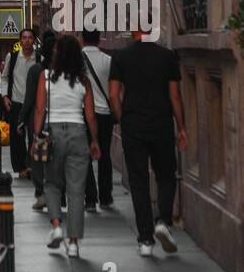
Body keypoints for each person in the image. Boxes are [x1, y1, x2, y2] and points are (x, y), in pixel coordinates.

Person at [109, 27, 187, 256]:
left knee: (138, 180)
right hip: (161, 123)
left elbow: (114, 94)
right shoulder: (167, 56)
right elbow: (175, 96)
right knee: (166, 174)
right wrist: (181, 127)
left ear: (133, 29)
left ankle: (145, 239)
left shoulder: (121, 57)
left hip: (134, 124)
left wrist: (123, 119)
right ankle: (163, 220)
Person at [33, 34, 100, 257]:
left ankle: (56, 227)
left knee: (52, 184)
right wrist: (95, 141)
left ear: (56, 54)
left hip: (53, 134)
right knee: (76, 191)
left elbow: (40, 110)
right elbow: (90, 116)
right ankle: (73, 244)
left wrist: (35, 138)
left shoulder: (46, 77)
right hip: (78, 133)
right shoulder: (83, 80)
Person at [20, 30, 56, 210]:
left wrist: (22, 120)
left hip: (41, 121)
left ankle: (41, 192)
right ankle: (57, 195)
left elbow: (31, 100)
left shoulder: (36, 71)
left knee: (38, 158)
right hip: (62, 122)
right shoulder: (67, 71)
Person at [81, 29, 114, 211]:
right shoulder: (108, 60)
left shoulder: (77, 61)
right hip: (105, 114)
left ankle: (91, 199)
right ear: (99, 40)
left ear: (83, 39)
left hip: (84, 113)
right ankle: (106, 196)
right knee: (105, 155)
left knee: (85, 156)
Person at [2, 28, 40, 179]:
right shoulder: (13, 57)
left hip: (34, 104)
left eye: (30, 38)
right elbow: (4, 77)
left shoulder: (39, 58)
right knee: (16, 138)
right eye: (24, 38)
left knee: (34, 136)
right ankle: (21, 167)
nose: (27, 41)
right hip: (16, 102)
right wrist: (5, 96)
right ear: (20, 41)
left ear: (34, 40)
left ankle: (32, 166)